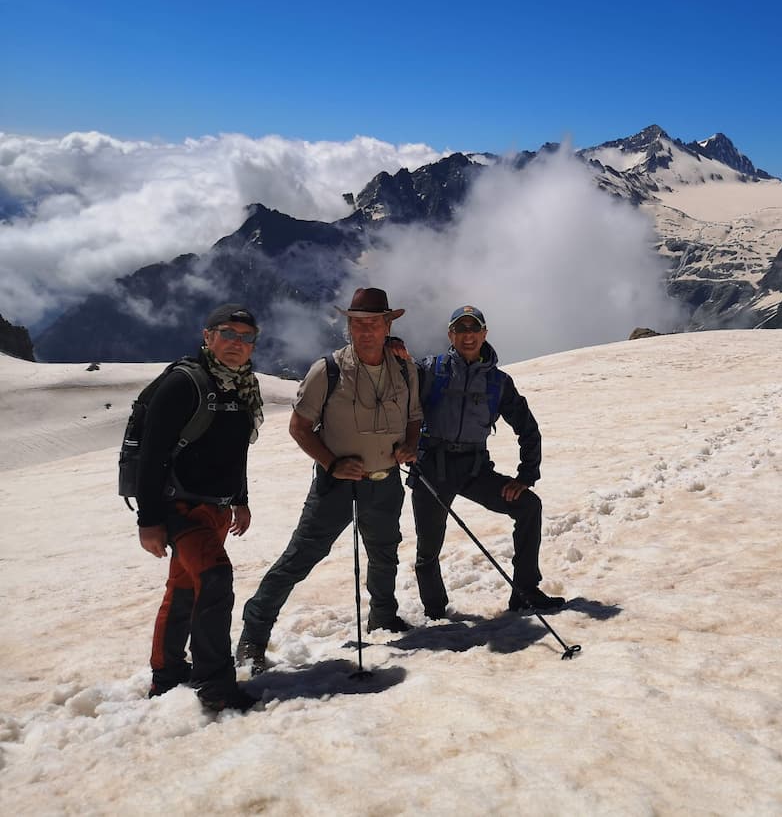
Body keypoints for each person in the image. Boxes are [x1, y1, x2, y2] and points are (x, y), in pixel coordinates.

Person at [236, 288, 421, 675]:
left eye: (373, 323)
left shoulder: (406, 368)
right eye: (357, 323)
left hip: (385, 481)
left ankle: (383, 618)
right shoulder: (328, 370)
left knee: (385, 552)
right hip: (335, 484)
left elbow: (414, 417)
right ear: (348, 325)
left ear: (388, 325)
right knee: (300, 557)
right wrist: (332, 464)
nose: (365, 330)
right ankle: (253, 637)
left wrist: (410, 445)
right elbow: (299, 427)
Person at [138, 303, 264, 713]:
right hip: (182, 507)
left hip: (217, 508)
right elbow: (151, 456)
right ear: (207, 336)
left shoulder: (242, 388)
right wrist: (150, 521)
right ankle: (214, 684)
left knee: (185, 587)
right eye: (228, 333)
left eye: (246, 338)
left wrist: (240, 500)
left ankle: (167, 673)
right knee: (214, 578)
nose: (237, 344)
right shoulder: (183, 384)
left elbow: (234, 453)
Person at [409, 304, 564, 618]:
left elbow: (528, 428)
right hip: (432, 468)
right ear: (451, 334)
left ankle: (525, 592)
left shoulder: (498, 382)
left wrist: (526, 476)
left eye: (473, 329)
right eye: (461, 329)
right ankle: (436, 611)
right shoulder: (429, 370)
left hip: (474, 469)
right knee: (428, 548)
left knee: (528, 505)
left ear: (484, 333)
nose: (468, 335)